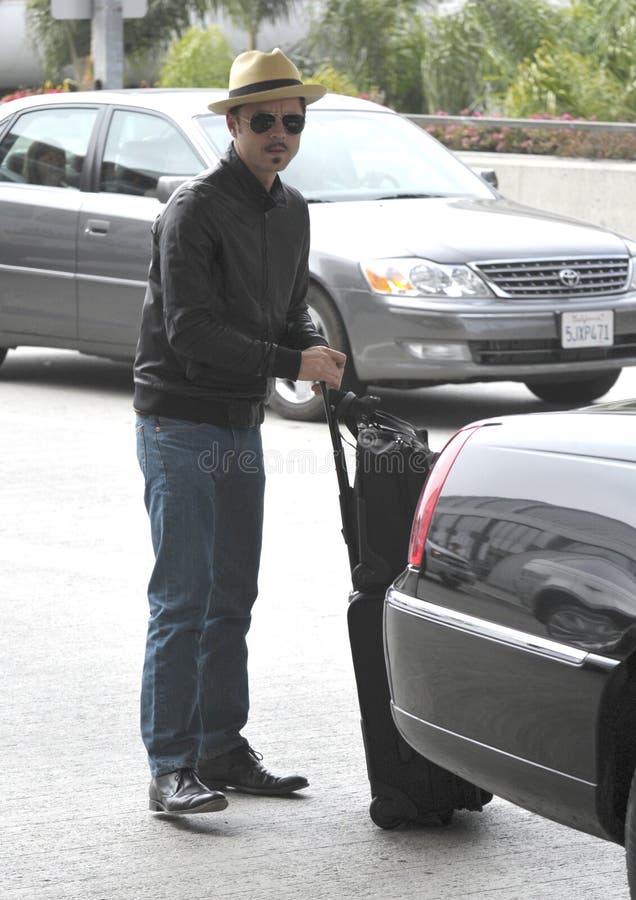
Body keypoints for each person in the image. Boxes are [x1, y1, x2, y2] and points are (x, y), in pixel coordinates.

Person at [133, 48, 346, 816]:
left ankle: (221, 747)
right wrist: (292, 361)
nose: (279, 133)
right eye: (264, 121)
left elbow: (290, 310)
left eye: (293, 120)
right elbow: (191, 334)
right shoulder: (193, 210)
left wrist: (314, 349)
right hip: (179, 425)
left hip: (239, 427)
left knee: (232, 595)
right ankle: (170, 767)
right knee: (183, 599)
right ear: (232, 124)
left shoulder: (293, 210)